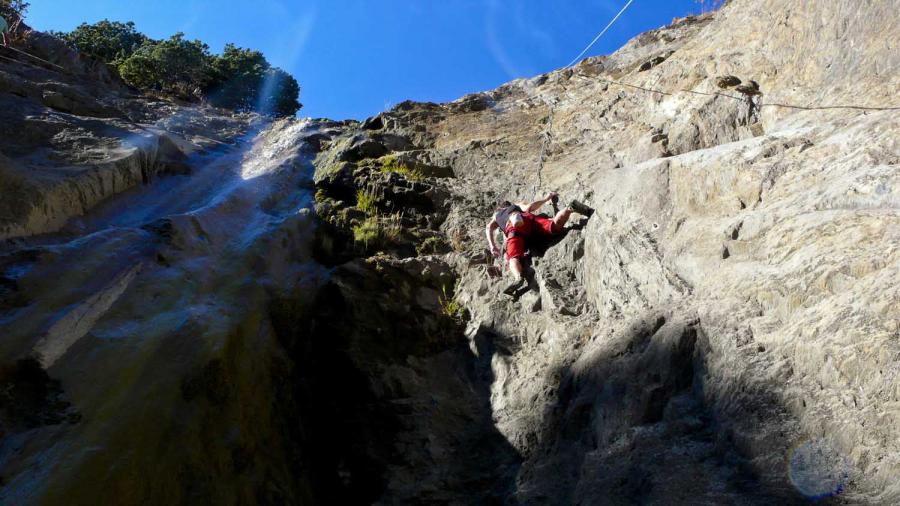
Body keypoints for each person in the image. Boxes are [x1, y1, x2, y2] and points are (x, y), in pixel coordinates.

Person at [486, 192, 594, 295]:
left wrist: (492, 246)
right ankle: (570, 208)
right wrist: (546, 199)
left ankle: (518, 277)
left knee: (513, 258)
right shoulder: (515, 206)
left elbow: (489, 228)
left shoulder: (497, 215)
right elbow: (529, 208)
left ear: (500, 208)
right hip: (527, 219)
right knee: (554, 226)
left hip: (514, 229)